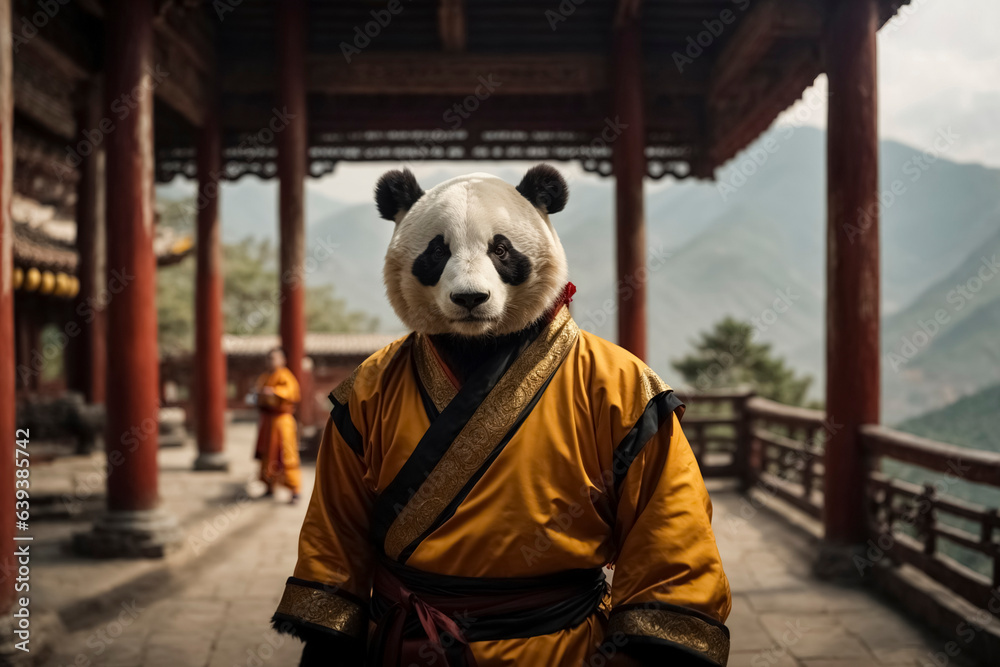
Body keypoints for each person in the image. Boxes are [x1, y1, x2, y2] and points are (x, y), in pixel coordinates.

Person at [273, 166, 730, 666]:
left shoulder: (619, 386)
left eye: (501, 250)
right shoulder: (372, 387)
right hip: (408, 643)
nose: (469, 281)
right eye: (438, 252)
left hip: (562, 648)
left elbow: (672, 540)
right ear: (404, 250)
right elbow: (335, 535)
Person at [253, 347, 301, 503]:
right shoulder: (265, 376)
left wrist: (273, 392)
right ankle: (269, 486)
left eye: (273, 358)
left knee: (285, 454)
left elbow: (292, 392)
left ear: (282, 360)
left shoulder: (286, 376)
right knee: (268, 454)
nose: (270, 361)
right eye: (268, 358)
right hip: (268, 421)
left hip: (282, 421)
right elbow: (258, 392)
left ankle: (294, 489)